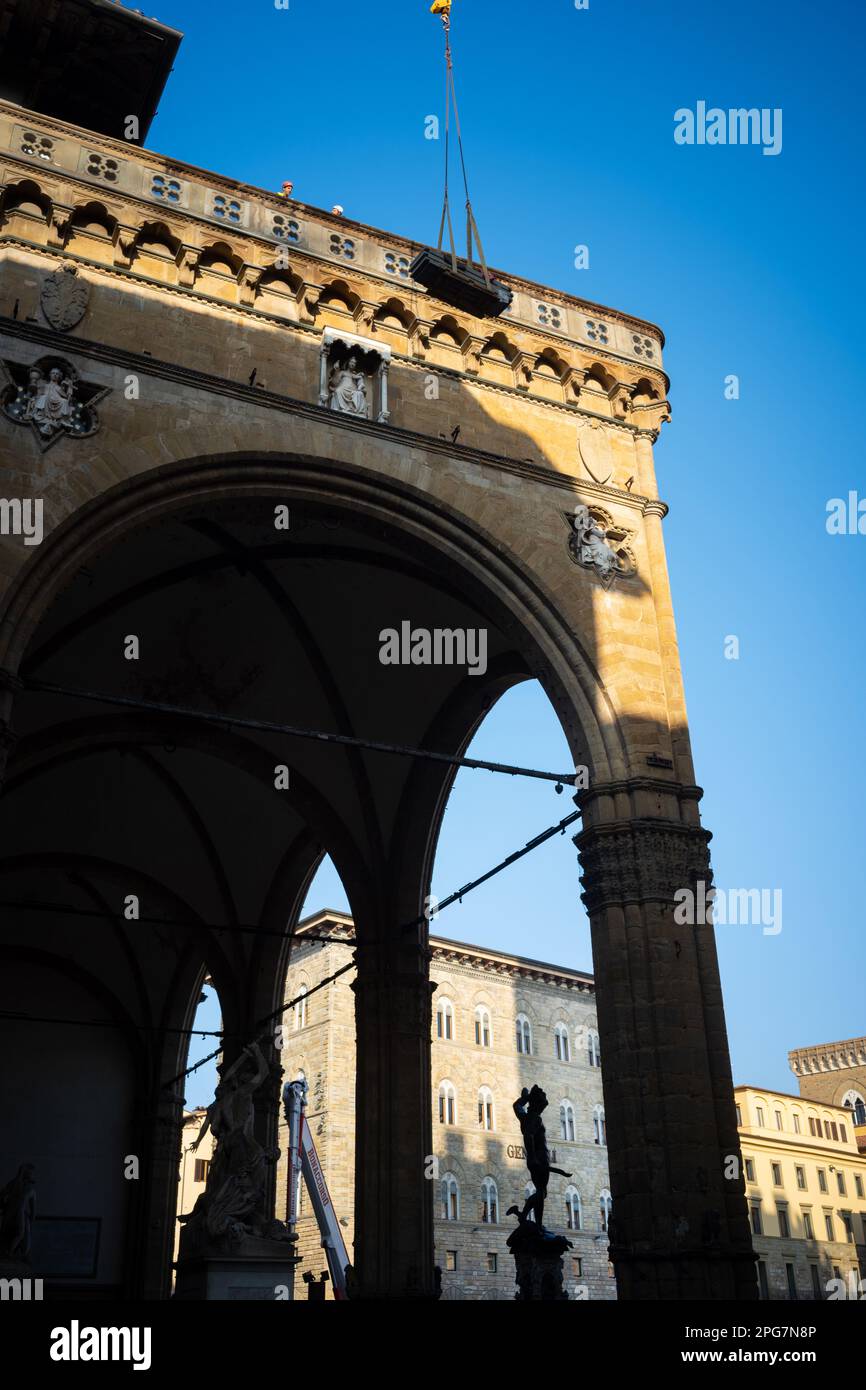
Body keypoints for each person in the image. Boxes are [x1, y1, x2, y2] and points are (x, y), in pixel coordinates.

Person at [507, 1087, 571, 1232]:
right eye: (542, 1105)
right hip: (540, 1158)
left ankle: (531, 1220)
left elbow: (516, 1106)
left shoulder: (525, 1117)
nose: (543, 1107)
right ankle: (532, 1221)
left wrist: (525, 1098)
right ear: (538, 1104)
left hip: (536, 1158)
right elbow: (528, 1136)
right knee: (541, 1193)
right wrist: (534, 1157)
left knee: (541, 1192)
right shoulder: (535, 1118)